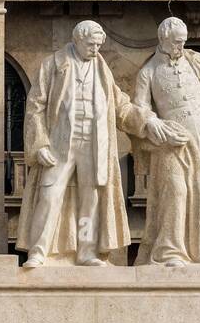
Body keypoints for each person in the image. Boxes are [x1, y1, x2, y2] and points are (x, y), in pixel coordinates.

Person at [16, 20, 168, 267]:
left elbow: (121, 106)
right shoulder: (54, 64)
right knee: (49, 194)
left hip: (93, 143)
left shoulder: (102, 70)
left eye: (98, 45)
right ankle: (39, 250)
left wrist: (147, 121)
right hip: (60, 143)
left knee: (91, 199)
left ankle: (86, 251)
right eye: (91, 44)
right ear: (77, 40)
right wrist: (39, 144)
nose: (95, 49)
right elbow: (35, 107)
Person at [132, 17, 200, 266]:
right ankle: (175, 250)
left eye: (183, 41)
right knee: (177, 197)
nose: (181, 46)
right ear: (163, 40)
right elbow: (139, 110)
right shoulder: (147, 72)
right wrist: (151, 123)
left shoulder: (198, 62)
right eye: (177, 42)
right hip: (176, 147)